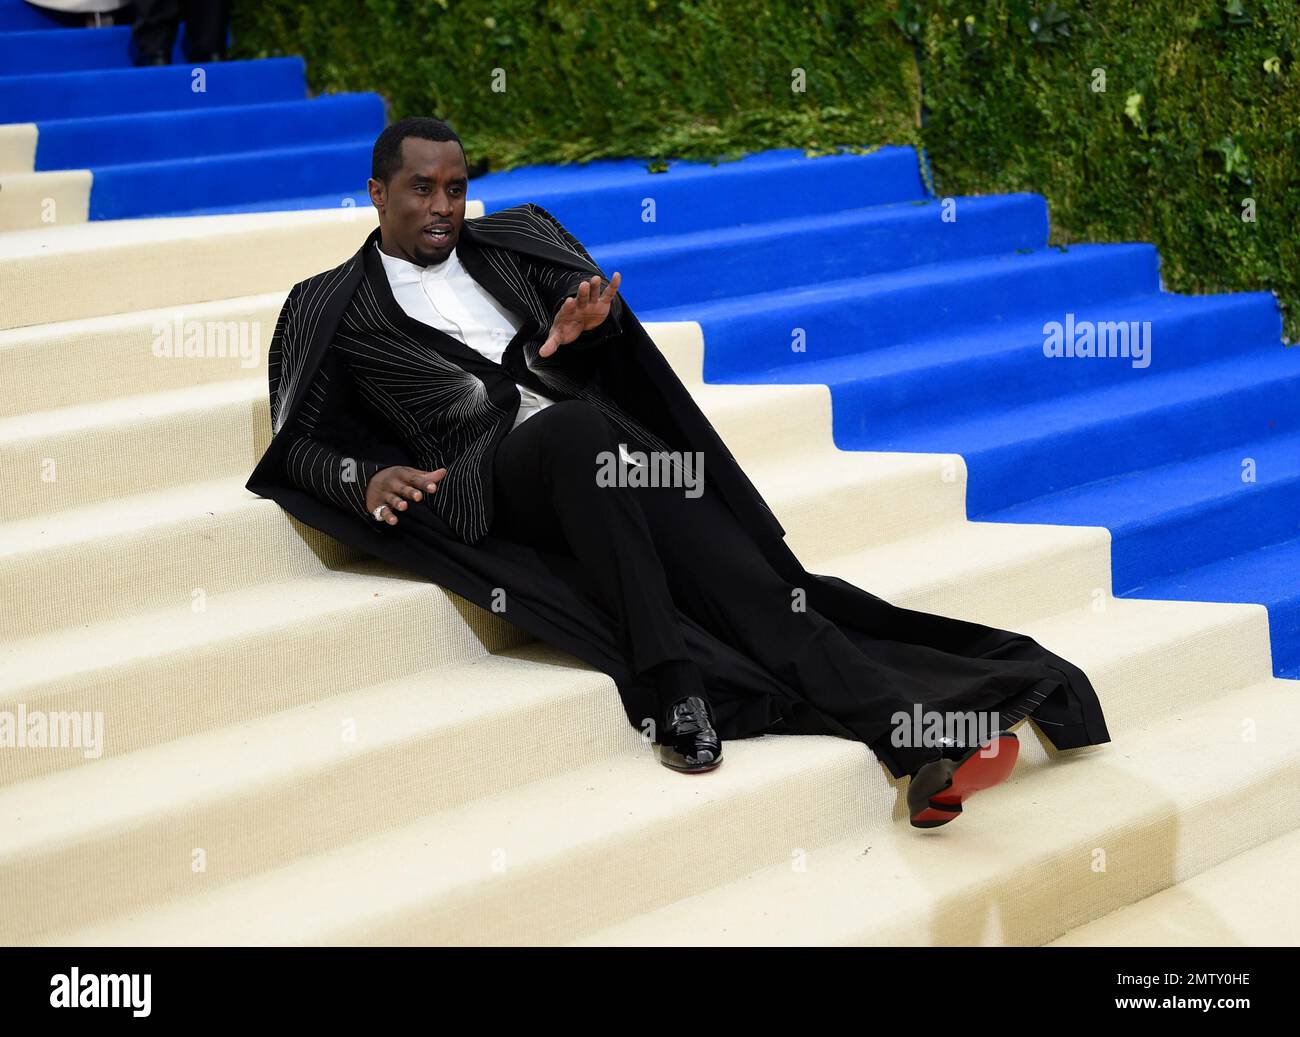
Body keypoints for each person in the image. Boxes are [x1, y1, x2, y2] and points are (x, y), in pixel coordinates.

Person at [246, 117, 1112, 829]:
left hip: (602, 454)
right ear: (377, 193)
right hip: (493, 477)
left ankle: (914, 745)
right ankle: (673, 693)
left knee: (761, 589)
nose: (444, 206)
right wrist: (363, 478)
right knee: (581, 437)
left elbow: (597, 369)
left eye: (456, 187)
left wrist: (580, 343)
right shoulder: (329, 303)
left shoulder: (513, 243)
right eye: (421, 190)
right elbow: (301, 440)